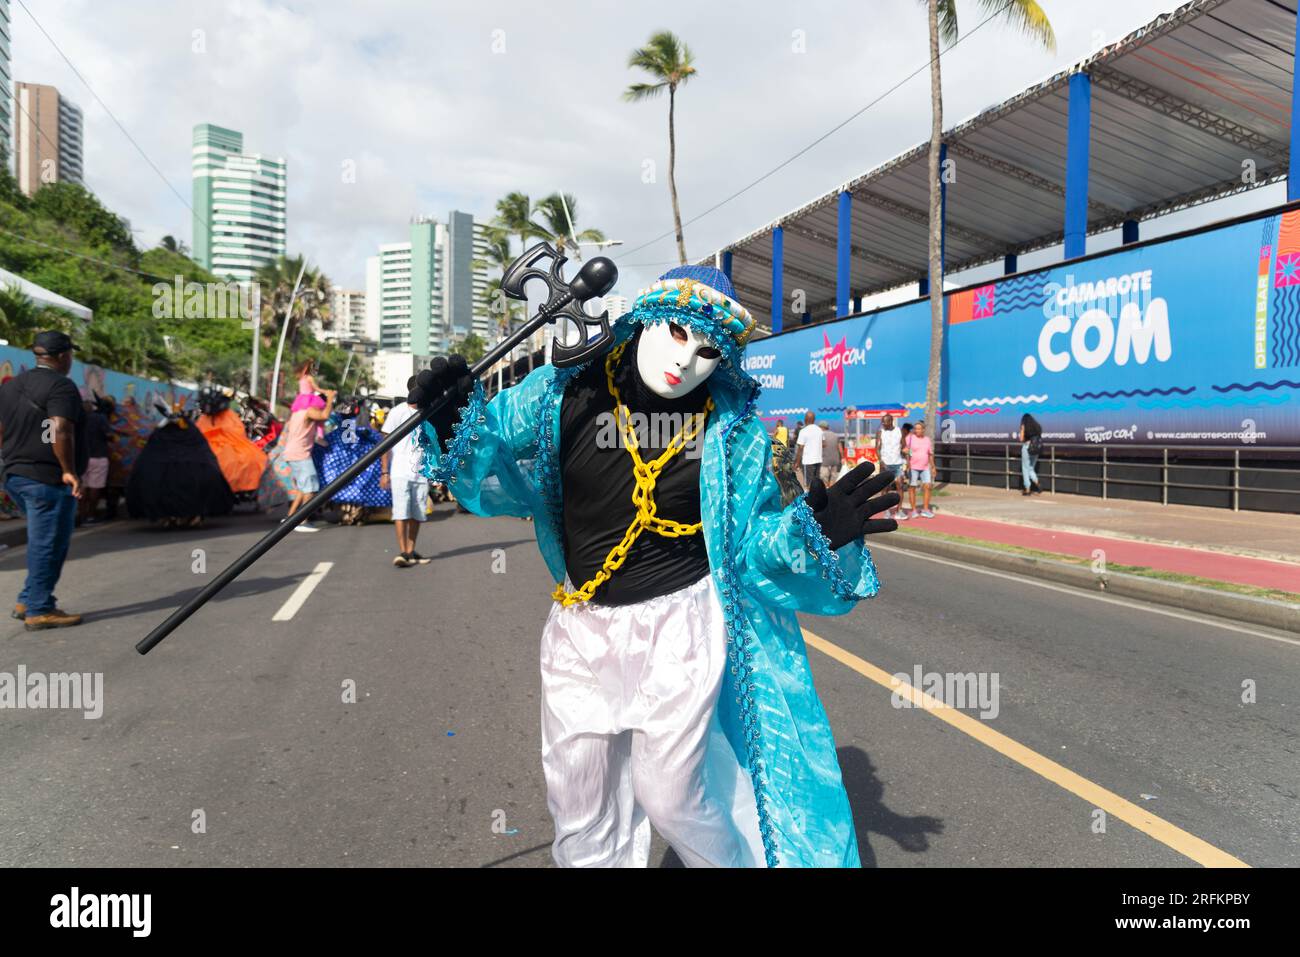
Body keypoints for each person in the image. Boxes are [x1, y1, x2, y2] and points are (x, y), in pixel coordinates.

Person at [411, 265, 899, 868]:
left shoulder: (735, 435)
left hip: (682, 630)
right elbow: (488, 468)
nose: (684, 360)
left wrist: (812, 534)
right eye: (674, 331)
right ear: (642, 319)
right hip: (580, 628)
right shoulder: (562, 392)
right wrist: (453, 417)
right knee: (580, 800)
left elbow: (750, 553)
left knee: (671, 797)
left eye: (707, 351)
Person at [0, 331, 87, 630]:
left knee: (44, 540)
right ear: (63, 356)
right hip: (46, 478)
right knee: (48, 543)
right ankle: (39, 609)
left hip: (15, 475)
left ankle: (28, 598)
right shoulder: (61, 386)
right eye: (71, 355)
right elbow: (57, 429)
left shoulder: (12, 387)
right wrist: (67, 469)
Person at [380, 379, 433, 567]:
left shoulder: (428, 411)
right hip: (400, 471)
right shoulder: (397, 412)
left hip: (421, 472)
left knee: (418, 513)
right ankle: (403, 551)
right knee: (401, 512)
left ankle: (411, 550)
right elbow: (385, 444)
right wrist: (384, 471)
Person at [282, 388, 335, 532]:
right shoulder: (308, 411)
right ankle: (302, 521)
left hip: (292, 453)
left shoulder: (297, 413)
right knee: (311, 488)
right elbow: (324, 415)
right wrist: (330, 398)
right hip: (300, 454)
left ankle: (290, 517)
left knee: (302, 488)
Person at [79, 395, 113, 524]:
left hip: (81, 458)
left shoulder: (78, 420)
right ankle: (90, 516)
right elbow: (109, 435)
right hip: (98, 457)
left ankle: (81, 516)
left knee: (82, 487)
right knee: (95, 487)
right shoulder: (100, 419)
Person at [874, 413, 905, 520]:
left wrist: (907, 458)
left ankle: (899, 510)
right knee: (885, 488)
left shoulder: (899, 431)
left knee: (900, 486)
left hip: (898, 463)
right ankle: (886, 511)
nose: (883, 424)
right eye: (882, 422)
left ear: (891, 421)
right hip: (885, 464)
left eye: (885, 422)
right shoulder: (880, 432)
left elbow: (904, 446)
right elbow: (877, 448)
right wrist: (881, 461)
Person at [905, 420, 935, 518]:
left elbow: (930, 454)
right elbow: (905, 451)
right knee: (912, 488)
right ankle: (913, 510)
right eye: (915, 429)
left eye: (919, 429)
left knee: (927, 487)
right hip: (913, 467)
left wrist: (933, 467)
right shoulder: (910, 438)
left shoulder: (927, 440)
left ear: (923, 430)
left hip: (925, 467)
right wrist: (907, 464)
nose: (917, 430)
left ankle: (925, 509)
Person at [795, 410, 823, 490]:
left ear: (805, 419)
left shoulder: (803, 431)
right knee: (816, 482)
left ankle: (810, 501)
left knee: (808, 485)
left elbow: (800, 448)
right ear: (814, 420)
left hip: (808, 461)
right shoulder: (819, 430)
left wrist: (797, 462)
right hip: (818, 460)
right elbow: (823, 444)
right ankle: (817, 498)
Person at [1020, 413, 1043, 495]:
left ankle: (1027, 489)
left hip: (1027, 447)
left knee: (1025, 468)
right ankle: (1037, 483)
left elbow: (1021, 439)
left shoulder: (1024, 426)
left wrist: (1022, 429)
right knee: (1031, 468)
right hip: (1036, 448)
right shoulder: (1037, 427)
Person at [819, 420, 843, 485]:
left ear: (821, 427)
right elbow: (840, 448)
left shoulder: (820, 435)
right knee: (833, 479)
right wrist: (842, 458)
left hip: (825, 461)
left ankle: (826, 491)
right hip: (835, 460)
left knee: (824, 480)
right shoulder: (835, 435)